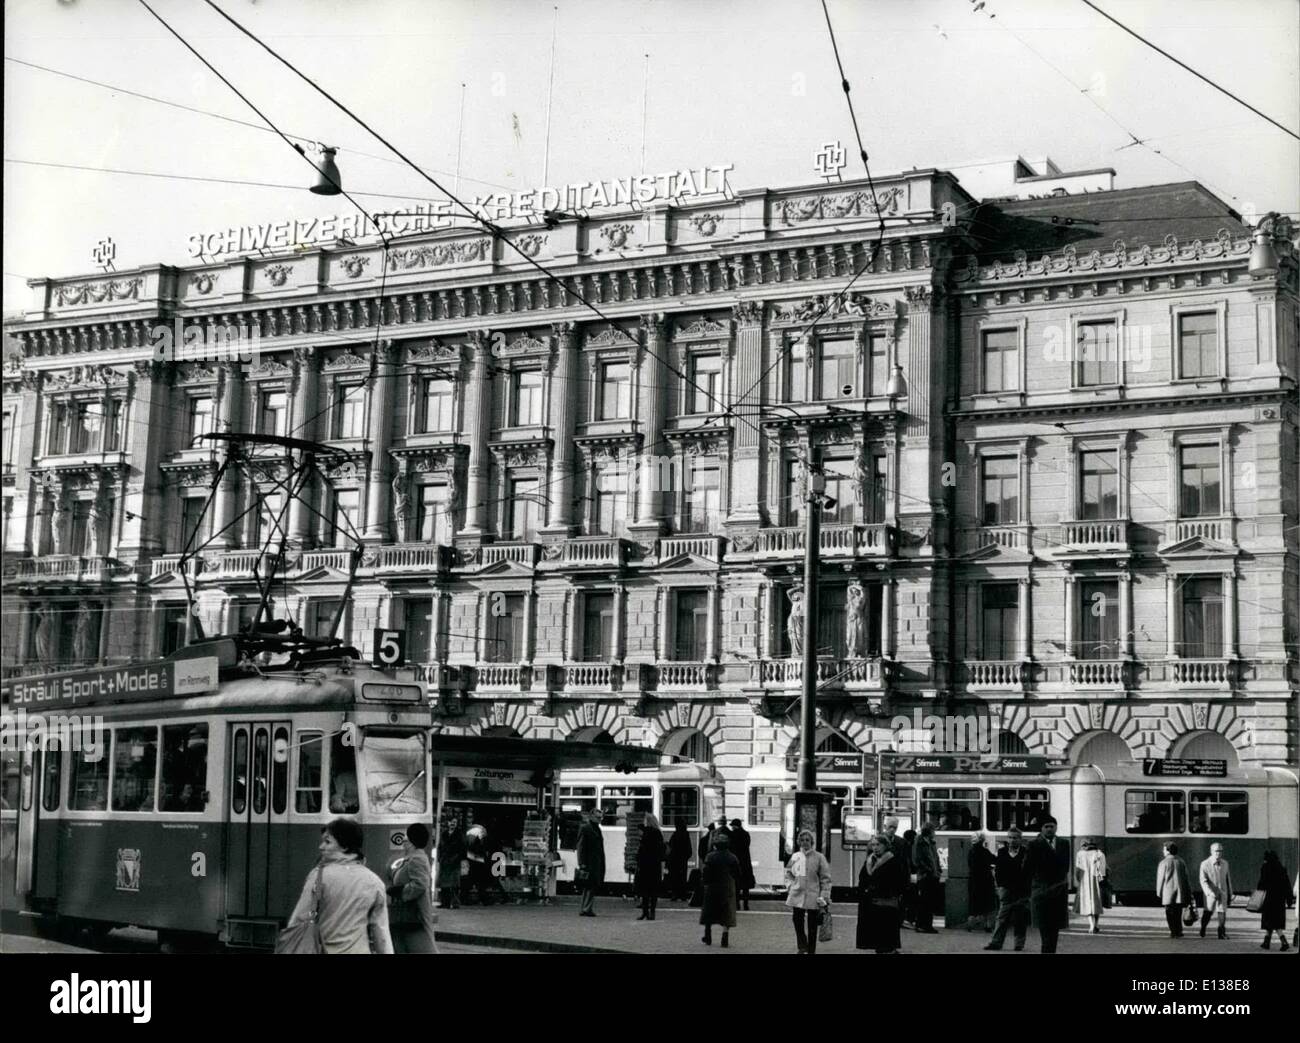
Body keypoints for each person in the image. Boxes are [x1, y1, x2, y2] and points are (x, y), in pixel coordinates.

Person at [285, 818, 393, 954]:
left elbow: (299, 919)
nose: (321, 847)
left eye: (327, 842)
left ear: (344, 846)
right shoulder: (374, 881)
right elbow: (381, 934)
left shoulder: (319, 876)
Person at [387, 823, 438, 953]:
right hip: (407, 912)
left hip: (415, 912)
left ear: (411, 841)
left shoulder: (417, 859)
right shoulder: (410, 858)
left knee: (421, 947)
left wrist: (400, 891)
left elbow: (420, 884)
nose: (403, 839)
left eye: (406, 835)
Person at [1026, 816, 1070, 953]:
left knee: (1054, 929)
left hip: (1058, 891)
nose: (1049, 829)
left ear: (1056, 827)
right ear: (1041, 828)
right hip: (1041, 890)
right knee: (1045, 930)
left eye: (1052, 826)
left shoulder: (1064, 843)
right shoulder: (1033, 844)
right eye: (1046, 826)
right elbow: (1028, 868)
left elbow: (1065, 866)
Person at [785, 829, 832, 954]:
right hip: (797, 894)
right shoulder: (795, 857)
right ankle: (802, 946)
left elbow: (825, 878)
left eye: (807, 840)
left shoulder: (819, 857)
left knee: (812, 925)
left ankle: (811, 950)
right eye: (802, 840)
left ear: (812, 842)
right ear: (798, 842)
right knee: (797, 921)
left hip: (813, 895)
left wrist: (824, 896)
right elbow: (788, 873)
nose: (805, 842)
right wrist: (790, 886)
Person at [856, 833, 905, 954]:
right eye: (873, 845)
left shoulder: (893, 861)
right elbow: (862, 879)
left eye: (878, 844)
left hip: (886, 902)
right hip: (871, 903)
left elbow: (899, 881)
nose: (875, 847)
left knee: (885, 937)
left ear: (885, 845)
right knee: (877, 938)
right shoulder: (869, 860)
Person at [985, 825, 1031, 951]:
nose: (1012, 840)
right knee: (1002, 917)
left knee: (1020, 918)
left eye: (1015, 838)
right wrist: (999, 886)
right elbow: (998, 870)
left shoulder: (1026, 853)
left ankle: (1019, 944)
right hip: (1006, 889)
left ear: (1020, 839)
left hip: (1022, 890)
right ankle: (996, 942)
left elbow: (1029, 871)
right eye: (1010, 838)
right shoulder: (1001, 852)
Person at [700, 832, 740, 947]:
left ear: (715, 845)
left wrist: (704, 883)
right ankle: (725, 936)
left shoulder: (710, 857)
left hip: (712, 888)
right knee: (727, 913)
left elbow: (706, 873)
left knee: (709, 912)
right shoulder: (733, 857)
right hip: (727, 887)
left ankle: (708, 935)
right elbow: (737, 874)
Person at [1156, 841, 1192, 939]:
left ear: (1168, 850)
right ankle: (1179, 931)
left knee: (1169, 913)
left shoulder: (1163, 863)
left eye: (1164, 849)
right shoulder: (1181, 861)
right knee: (1178, 912)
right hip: (1180, 892)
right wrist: (1189, 892)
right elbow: (1186, 878)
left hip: (1168, 892)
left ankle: (1173, 931)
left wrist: (1159, 892)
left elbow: (1161, 879)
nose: (1163, 851)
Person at [1256, 850, 1290, 951]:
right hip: (1279, 901)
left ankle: (1284, 942)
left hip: (1269, 900)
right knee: (1273, 922)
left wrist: (1258, 893)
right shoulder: (1282, 868)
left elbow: (1262, 883)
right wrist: (1289, 899)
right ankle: (1266, 942)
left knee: (1272, 923)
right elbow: (1287, 885)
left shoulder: (1265, 868)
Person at [1198, 842, 1234, 939]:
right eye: (1216, 851)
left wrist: (1231, 892)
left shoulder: (1225, 863)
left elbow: (1228, 879)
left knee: (1222, 912)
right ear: (1211, 851)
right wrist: (1209, 892)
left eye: (1220, 851)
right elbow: (1203, 881)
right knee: (1208, 912)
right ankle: (1203, 928)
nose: (1218, 853)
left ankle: (1221, 932)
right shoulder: (1205, 864)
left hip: (1223, 891)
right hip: (1210, 893)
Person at [1074, 837, 1108, 934]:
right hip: (1097, 880)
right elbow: (1103, 871)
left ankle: (1091, 925)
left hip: (1085, 881)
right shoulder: (1099, 854)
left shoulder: (1080, 854)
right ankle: (1096, 924)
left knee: (1087, 903)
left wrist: (1078, 880)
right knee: (1096, 903)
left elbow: (1078, 870)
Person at [635, 813, 665, 921]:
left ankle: (644, 912)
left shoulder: (646, 833)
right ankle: (652, 913)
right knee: (653, 890)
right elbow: (661, 850)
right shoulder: (658, 833)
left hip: (645, 865)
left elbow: (642, 849)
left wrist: (638, 859)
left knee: (644, 890)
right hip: (655, 865)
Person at [576, 808, 605, 917]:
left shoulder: (596, 828)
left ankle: (585, 908)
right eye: (598, 817)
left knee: (589, 886)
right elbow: (581, 846)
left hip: (595, 862)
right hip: (589, 862)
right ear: (591, 816)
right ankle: (586, 908)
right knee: (590, 886)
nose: (600, 819)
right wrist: (581, 862)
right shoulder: (586, 828)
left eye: (601, 817)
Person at [911, 823, 940, 933]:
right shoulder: (919, 842)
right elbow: (917, 860)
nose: (935, 833)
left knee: (930, 901)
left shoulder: (931, 843)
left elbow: (935, 858)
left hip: (933, 875)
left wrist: (938, 870)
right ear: (929, 831)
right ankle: (923, 925)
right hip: (925, 875)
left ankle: (926, 924)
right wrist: (928, 870)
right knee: (925, 901)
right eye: (933, 831)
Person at [967, 833, 996, 931]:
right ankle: (987, 926)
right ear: (982, 841)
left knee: (973, 903)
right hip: (985, 880)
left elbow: (970, 865)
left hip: (974, 880)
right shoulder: (985, 851)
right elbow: (994, 860)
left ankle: (970, 924)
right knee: (988, 904)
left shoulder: (971, 851)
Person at [435, 819, 465, 909]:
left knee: (454, 884)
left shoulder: (459, 834)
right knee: (444, 884)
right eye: (451, 822)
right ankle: (445, 903)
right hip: (444, 861)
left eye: (454, 822)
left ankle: (455, 903)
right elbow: (439, 847)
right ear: (447, 823)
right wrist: (439, 858)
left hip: (454, 861)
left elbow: (462, 849)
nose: (452, 824)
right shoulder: (444, 834)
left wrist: (456, 858)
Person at [464, 823, 495, 906]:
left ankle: (465, 897)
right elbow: (482, 846)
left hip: (472, 858)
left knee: (472, 880)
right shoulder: (481, 833)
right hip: (478, 859)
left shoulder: (470, 832)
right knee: (479, 881)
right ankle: (483, 899)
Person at [730, 819, 756, 911]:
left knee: (736, 886)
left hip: (737, 863)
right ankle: (746, 905)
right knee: (745, 887)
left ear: (735, 826)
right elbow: (746, 846)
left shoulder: (732, 835)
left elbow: (731, 848)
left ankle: (737, 904)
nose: (731, 827)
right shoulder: (746, 834)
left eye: (732, 825)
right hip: (746, 863)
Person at [667, 821, 692, 901]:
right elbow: (689, 849)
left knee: (675, 877)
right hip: (683, 860)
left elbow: (671, 847)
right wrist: (686, 857)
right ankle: (682, 895)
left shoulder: (675, 835)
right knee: (682, 878)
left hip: (675, 860)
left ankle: (675, 894)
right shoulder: (686, 835)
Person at [900, 828, 918, 927]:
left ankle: (904, 919)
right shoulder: (910, 848)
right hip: (910, 876)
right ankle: (909, 919)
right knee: (911, 898)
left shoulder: (902, 846)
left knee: (905, 899)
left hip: (906, 876)